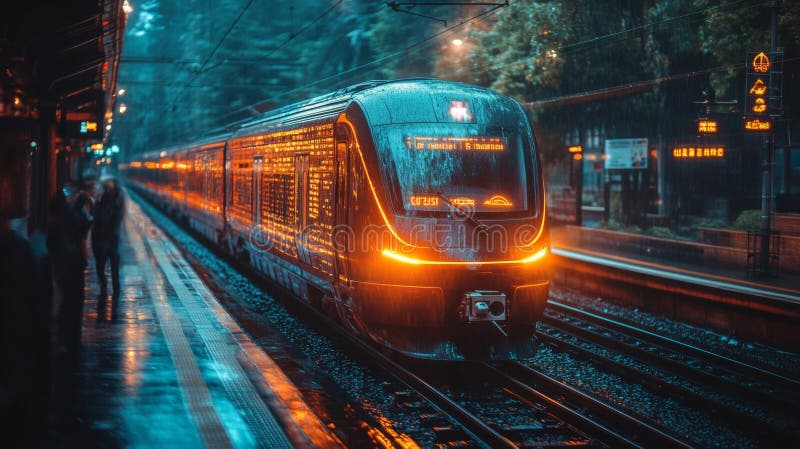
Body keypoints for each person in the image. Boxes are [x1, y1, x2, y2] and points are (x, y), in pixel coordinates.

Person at [92, 178, 125, 299]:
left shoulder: (109, 201)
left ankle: (108, 288)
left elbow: (97, 218)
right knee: (110, 267)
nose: (108, 190)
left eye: (109, 188)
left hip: (107, 239)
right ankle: (111, 289)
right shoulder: (112, 201)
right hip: (108, 239)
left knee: (105, 266)